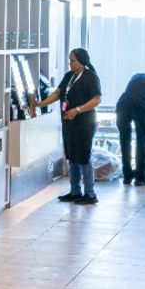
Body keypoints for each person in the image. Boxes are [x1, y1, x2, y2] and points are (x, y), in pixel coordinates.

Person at [35, 48, 102, 205]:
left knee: (83, 156)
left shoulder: (91, 77)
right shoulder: (69, 76)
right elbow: (58, 93)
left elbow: (96, 99)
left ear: (82, 62)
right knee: (72, 156)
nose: (70, 64)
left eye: (73, 61)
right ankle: (75, 190)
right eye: (69, 61)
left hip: (84, 122)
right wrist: (41, 104)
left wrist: (77, 110)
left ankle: (90, 193)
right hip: (68, 122)